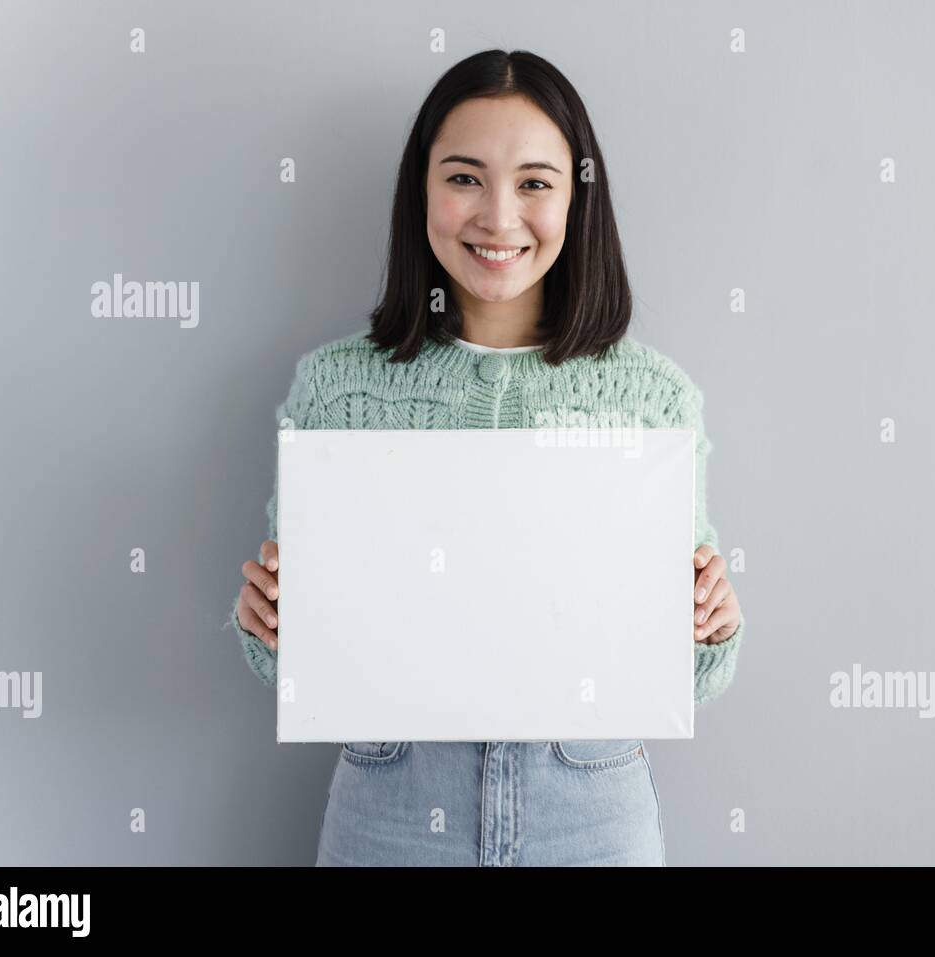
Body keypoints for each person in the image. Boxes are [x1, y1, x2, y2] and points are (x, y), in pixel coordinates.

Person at [228, 49, 746, 866]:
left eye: (535, 182)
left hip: (590, 807)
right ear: (420, 191)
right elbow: (285, 659)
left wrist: (709, 624)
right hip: (392, 802)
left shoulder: (655, 396)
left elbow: (693, 670)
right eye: (464, 177)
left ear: (577, 198)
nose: (499, 218)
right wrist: (270, 621)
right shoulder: (335, 389)